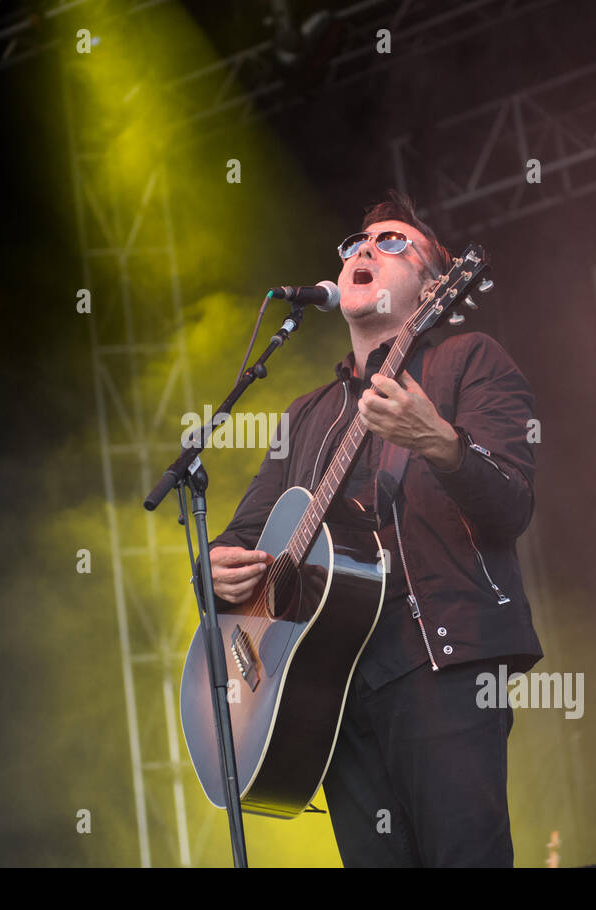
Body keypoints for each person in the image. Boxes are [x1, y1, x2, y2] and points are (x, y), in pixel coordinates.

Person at [206, 191, 542, 866]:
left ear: (433, 285)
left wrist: (443, 445)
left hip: (437, 667)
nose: (365, 249)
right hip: (329, 694)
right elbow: (241, 537)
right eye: (359, 242)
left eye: (393, 243)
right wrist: (215, 571)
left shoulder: (466, 360)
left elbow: (512, 503)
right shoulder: (305, 416)